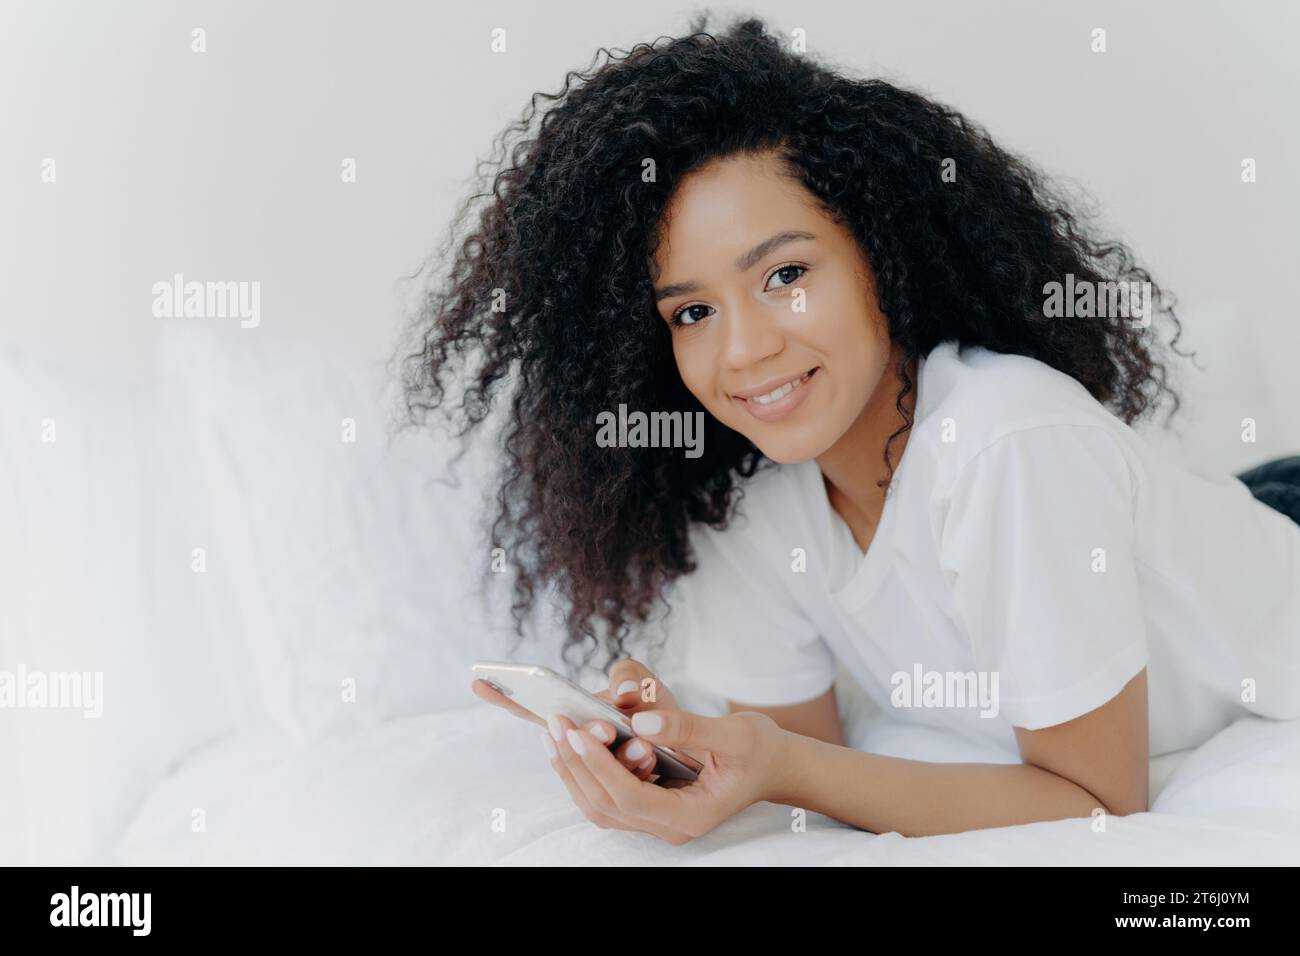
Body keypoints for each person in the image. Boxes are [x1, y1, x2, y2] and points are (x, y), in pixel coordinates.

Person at [400, 15, 1300, 841]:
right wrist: (686, 746)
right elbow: (805, 763)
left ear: (881, 251)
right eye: (692, 313)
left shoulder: (1009, 442)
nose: (746, 350)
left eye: (784, 274)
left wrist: (779, 764)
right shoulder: (753, 501)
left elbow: (1100, 803)